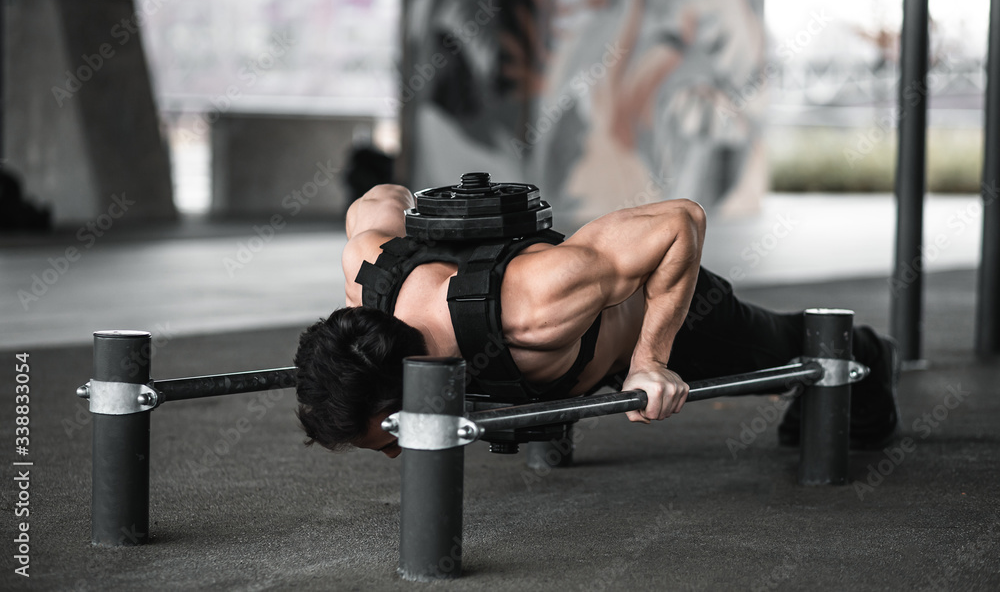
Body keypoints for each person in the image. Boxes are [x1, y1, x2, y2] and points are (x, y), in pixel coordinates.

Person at [294, 184, 899, 458]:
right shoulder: (365, 273)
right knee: (532, 371)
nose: (398, 455)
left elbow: (680, 222)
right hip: (562, 352)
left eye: (391, 437)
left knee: (784, 355)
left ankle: (871, 358)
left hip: (661, 311)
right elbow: (378, 200)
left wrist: (651, 359)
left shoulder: (536, 305)